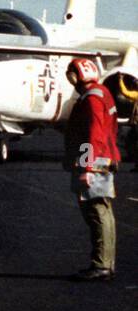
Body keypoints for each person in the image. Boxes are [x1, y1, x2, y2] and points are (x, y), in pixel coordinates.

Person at [62, 57, 120, 281]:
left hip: (95, 162)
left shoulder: (91, 99)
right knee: (104, 213)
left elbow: (93, 134)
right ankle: (106, 263)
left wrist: (87, 166)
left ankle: (101, 265)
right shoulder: (102, 93)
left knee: (97, 213)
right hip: (104, 158)